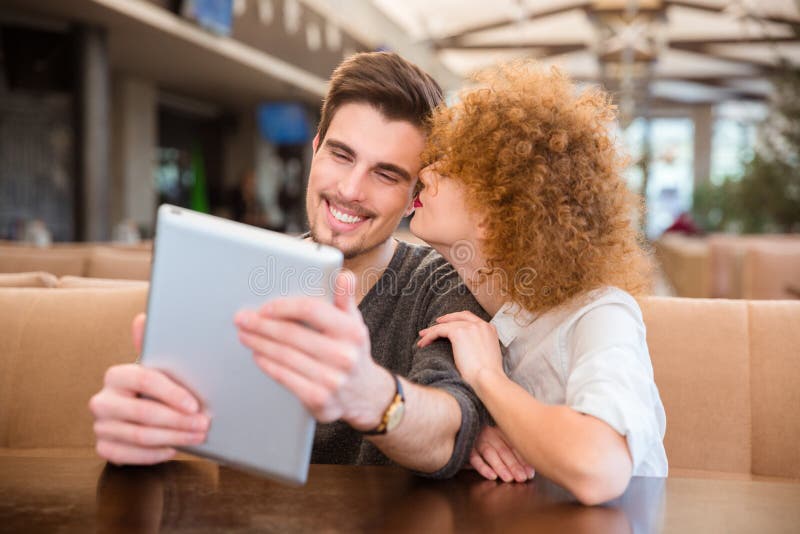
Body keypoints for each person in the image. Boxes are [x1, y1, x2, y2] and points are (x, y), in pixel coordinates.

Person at [89, 52, 489, 478]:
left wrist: (365, 393)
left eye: (386, 174)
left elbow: (451, 430)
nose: (351, 189)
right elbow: (165, 414)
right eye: (341, 155)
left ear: (415, 196)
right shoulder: (241, 268)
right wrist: (137, 425)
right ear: (315, 151)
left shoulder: (441, 282)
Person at [410, 62, 668, 504]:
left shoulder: (601, 314)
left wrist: (488, 378)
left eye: (448, 170)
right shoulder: (458, 293)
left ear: (494, 214)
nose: (425, 172)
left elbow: (598, 467)